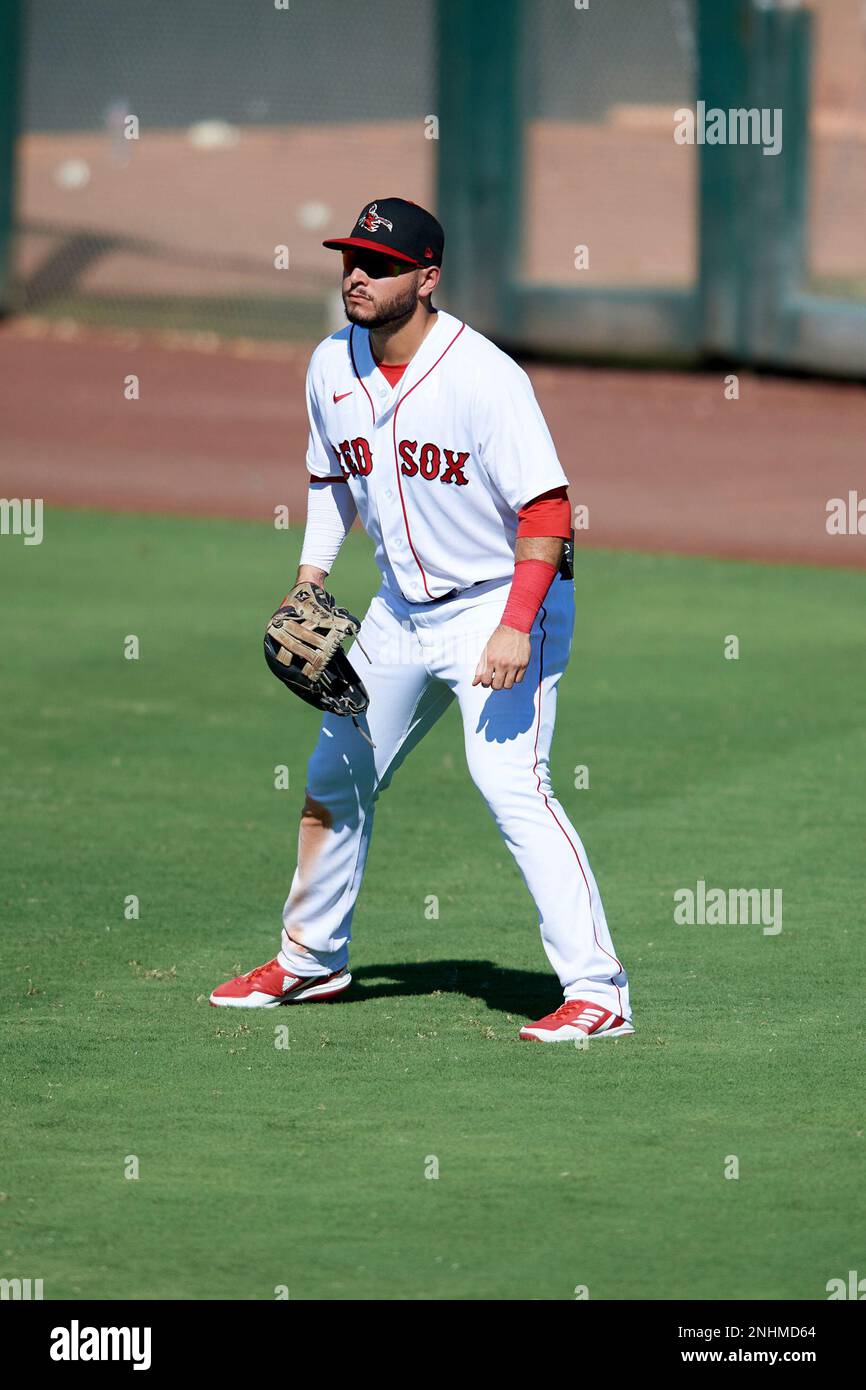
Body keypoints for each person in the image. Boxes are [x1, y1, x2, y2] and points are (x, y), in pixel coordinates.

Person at [210, 197, 632, 1042]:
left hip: (503, 603)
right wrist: (308, 579)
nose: (355, 274)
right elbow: (331, 480)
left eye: (378, 263)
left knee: (511, 784)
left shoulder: (485, 376)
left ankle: (599, 990)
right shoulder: (330, 364)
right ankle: (311, 959)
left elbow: (548, 512)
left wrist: (516, 625)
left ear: (427, 278)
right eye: (348, 259)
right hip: (398, 614)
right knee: (336, 777)